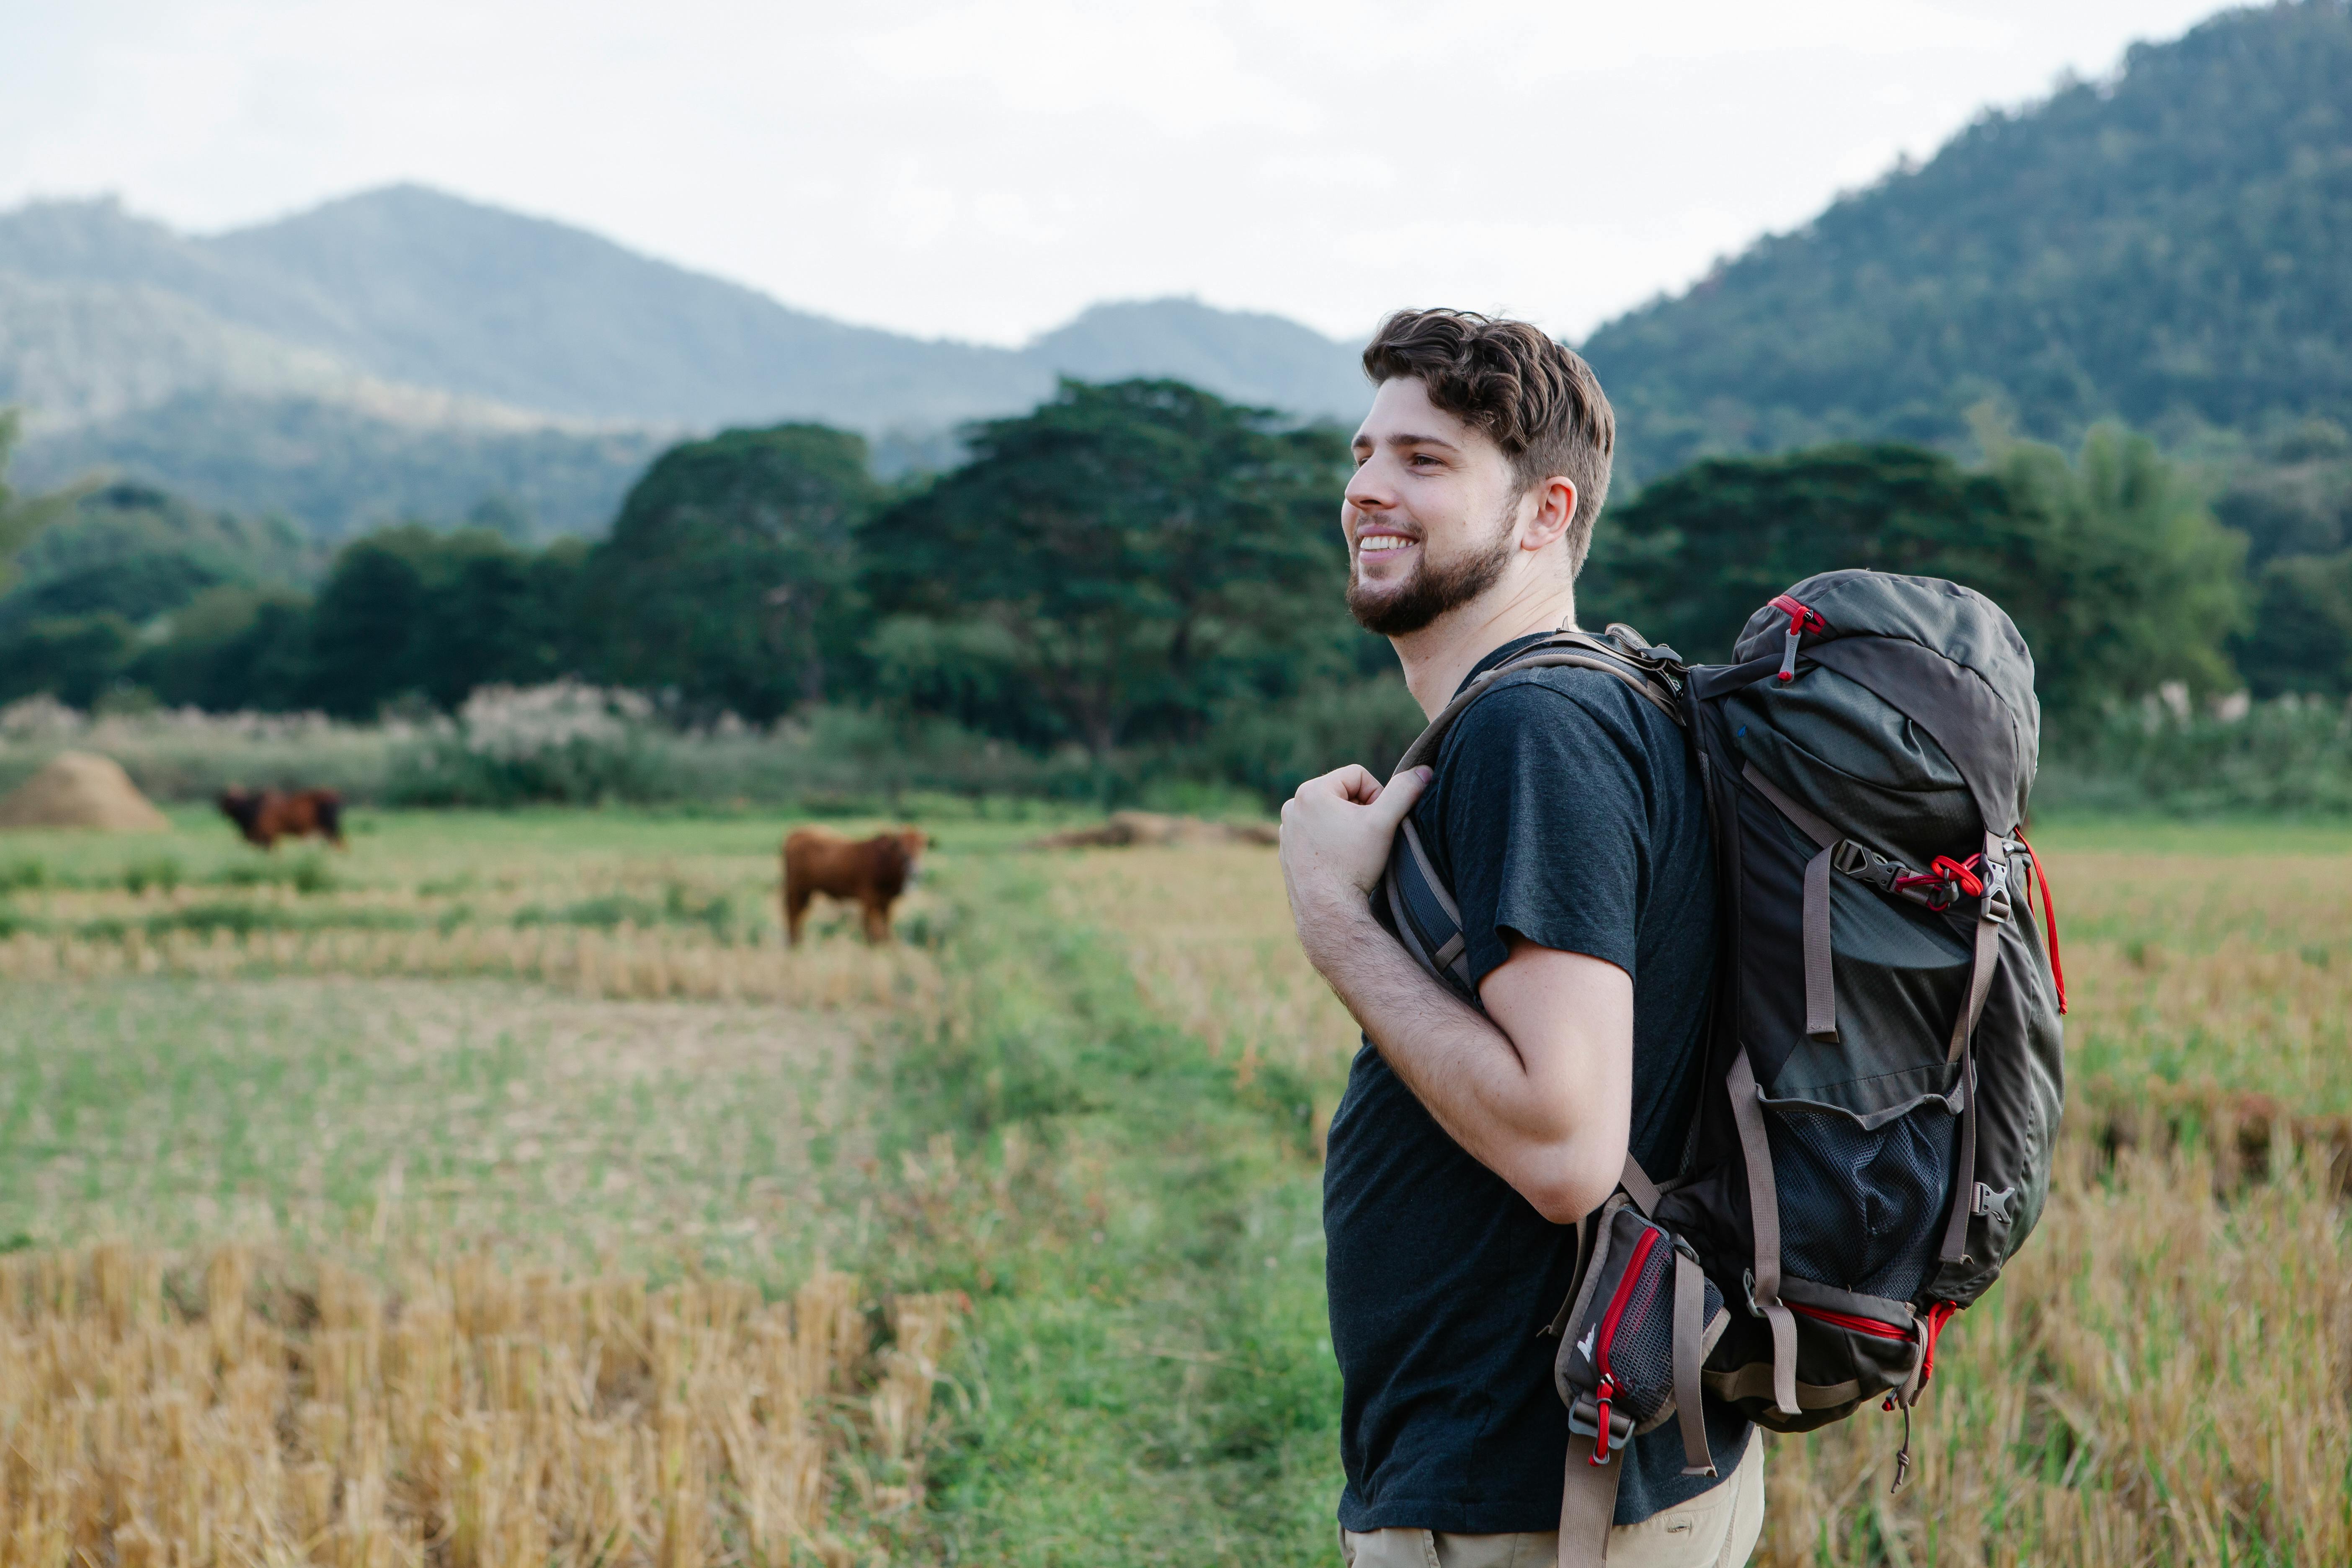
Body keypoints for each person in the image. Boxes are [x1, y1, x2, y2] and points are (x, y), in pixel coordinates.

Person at [1278, 309, 1764, 1568]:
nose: (1369, 489)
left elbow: (1564, 1144)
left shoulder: (1533, 731)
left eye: (1426, 462)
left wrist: (1334, 918)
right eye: (1364, 452)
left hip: (1540, 1496)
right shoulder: (1591, 703)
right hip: (1570, 1464)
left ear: (1547, 513)